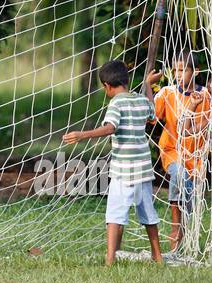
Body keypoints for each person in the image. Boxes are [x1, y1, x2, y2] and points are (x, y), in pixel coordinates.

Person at [66, 60, 163, 266]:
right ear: (126, 81)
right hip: (144, 170)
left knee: (114, 215)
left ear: (107, 86)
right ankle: (158, 256)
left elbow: (110, 128)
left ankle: (110, 261)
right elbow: (152, 114)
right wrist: (147, 85)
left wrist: (82, 135)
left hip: (124, 172)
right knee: (148, 214)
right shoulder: (140, 100)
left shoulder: (116, 103)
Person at [145, 52, 210, 254]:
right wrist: (147, 86)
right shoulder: (167, 93)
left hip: (197, 156)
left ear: (195, 71)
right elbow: (151, 116)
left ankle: (184, 227)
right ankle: (176, 231)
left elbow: (205, 128)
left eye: (183, 70)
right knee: (179, 175)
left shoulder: (206, 96)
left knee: (187, 185)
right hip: (172, 151)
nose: (178, 74)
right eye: (175, 70)